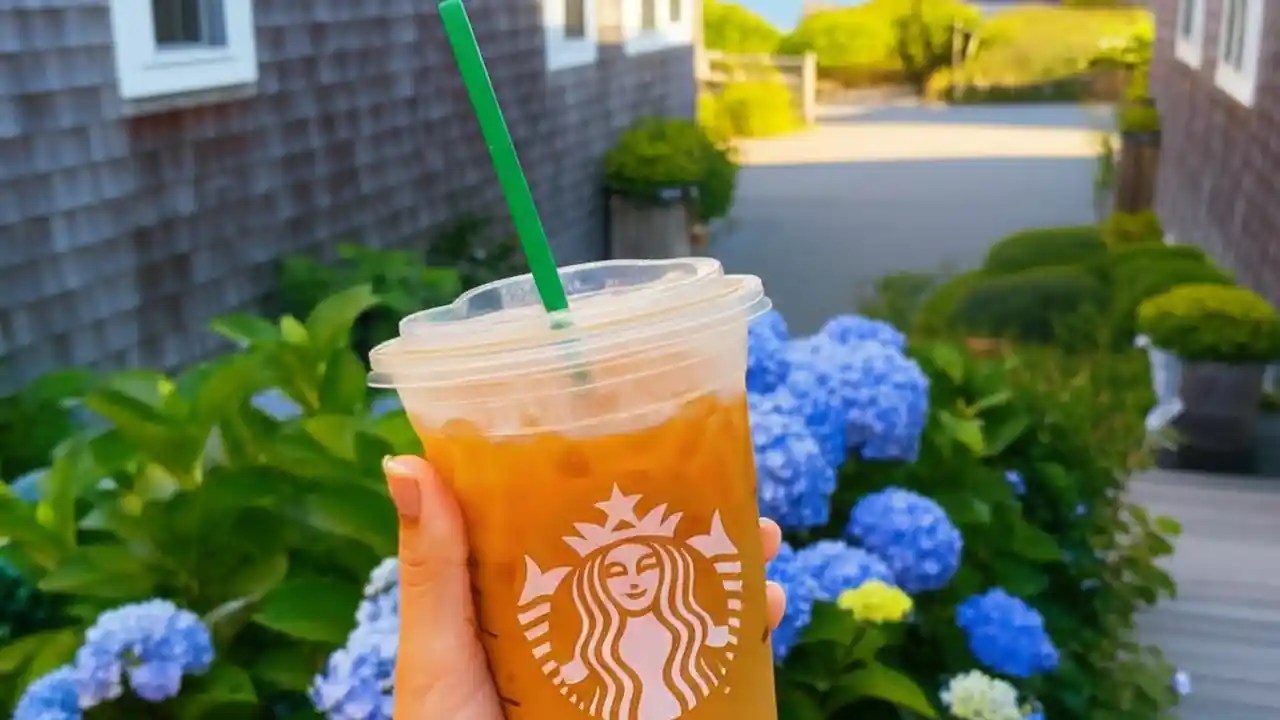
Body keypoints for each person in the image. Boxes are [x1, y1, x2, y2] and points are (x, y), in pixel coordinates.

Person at [383, 455, 788, 720]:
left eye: (646, 566)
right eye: (615, 572)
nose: (632, 580)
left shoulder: (700, 632)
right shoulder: (591, 653)